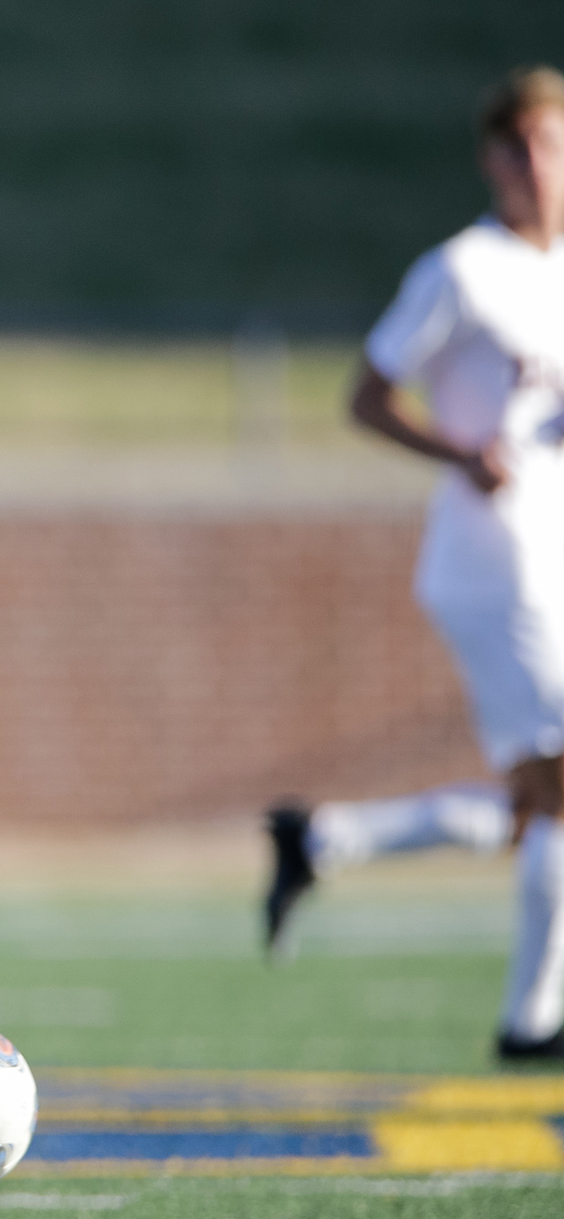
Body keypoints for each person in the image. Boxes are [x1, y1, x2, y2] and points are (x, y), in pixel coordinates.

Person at [265, 66, 564, 1065]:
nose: (534, 165)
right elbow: (365, 395)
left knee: (532, 806)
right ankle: (530, 1025)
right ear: (489, 159)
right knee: (557, 790)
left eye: (549, 144)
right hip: (492, 566)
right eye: (516, 147)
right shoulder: (461, 270)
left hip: (551, 558)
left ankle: (323, 840)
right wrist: (459, 452)